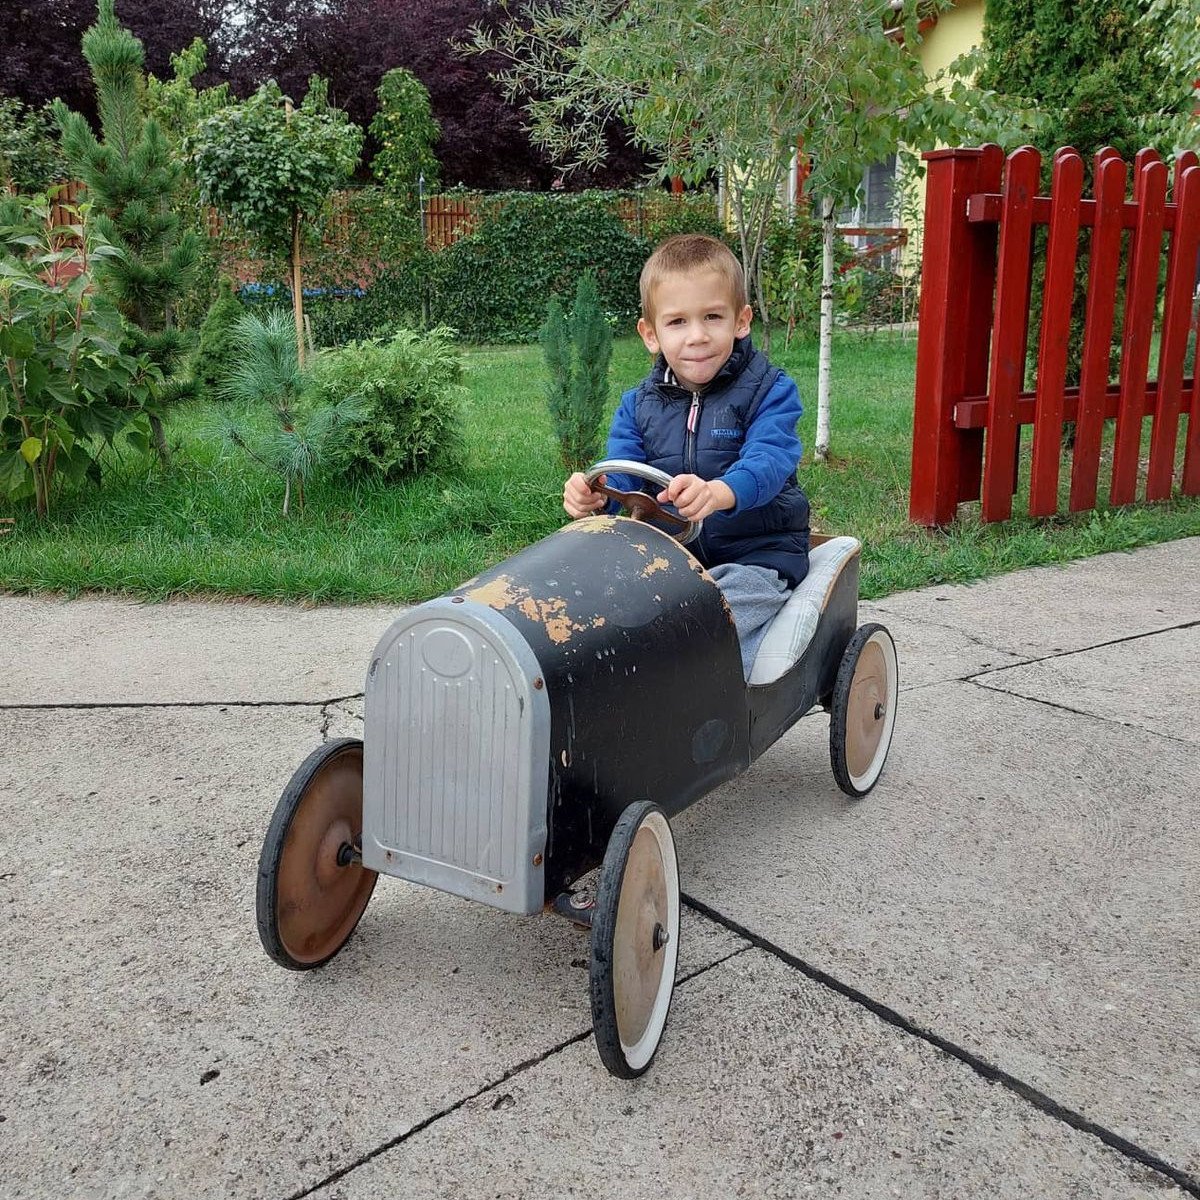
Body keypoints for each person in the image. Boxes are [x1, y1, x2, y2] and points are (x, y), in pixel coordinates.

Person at [563, 233, 810, 678]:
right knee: (599, 608)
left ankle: (724, 694)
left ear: (741, 321)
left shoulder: (771, 391)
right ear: (650, 334)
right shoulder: (637, 405)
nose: (697, 336)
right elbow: (623, 474)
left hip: (756, 554)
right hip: (674, 557)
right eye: (677, 322)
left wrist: (721, 492)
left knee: (715, 612)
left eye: (713, 316)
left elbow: (770, 459)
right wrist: (595, 496)